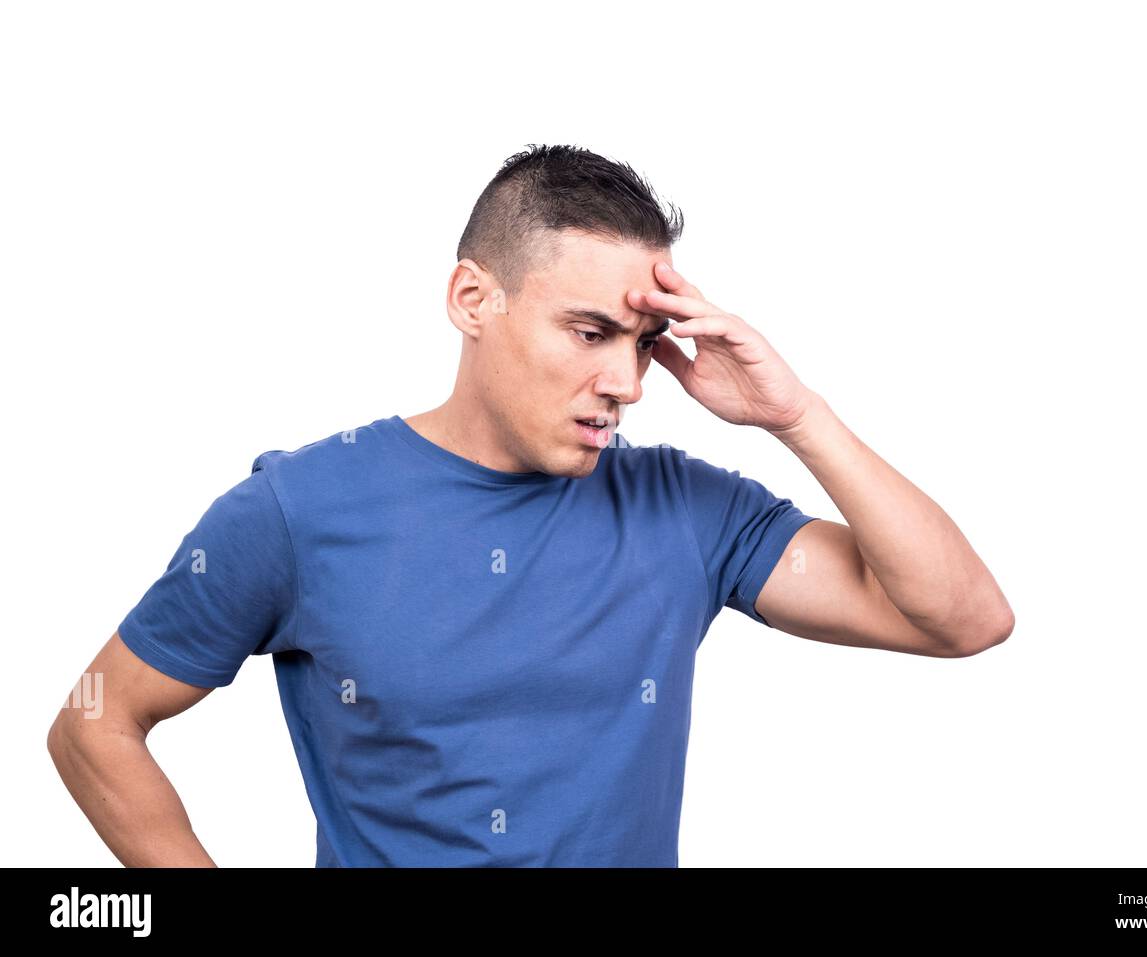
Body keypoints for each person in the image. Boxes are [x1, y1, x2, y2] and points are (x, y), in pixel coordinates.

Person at [47, 144, 1014, 867]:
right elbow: (95, 722)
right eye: (588, 331)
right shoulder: (297, 510)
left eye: (640, 342)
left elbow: (964, 618)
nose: (625, 382)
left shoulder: (690, 509)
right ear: (475, 299)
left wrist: (794, 415)